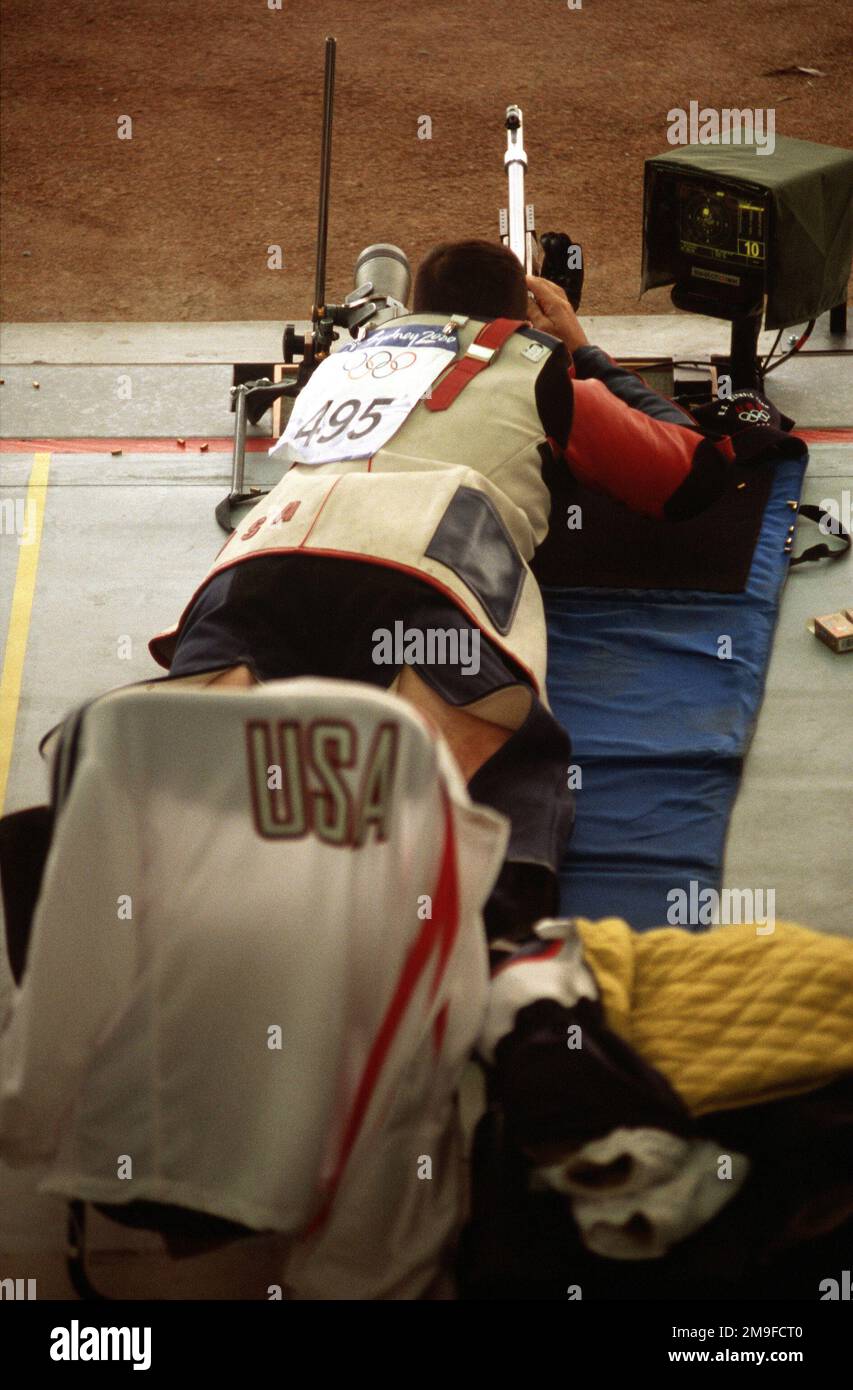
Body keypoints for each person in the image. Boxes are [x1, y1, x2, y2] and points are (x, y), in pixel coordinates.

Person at [141, 239, 737, 946]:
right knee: (493, 745)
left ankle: (168, 891)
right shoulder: (542, 372)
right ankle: (490, 941)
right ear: (524, 317)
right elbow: (693, 474)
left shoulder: (341, 363)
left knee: (201, 736)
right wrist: (580, 346)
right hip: (425, 557)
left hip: (264, 553)